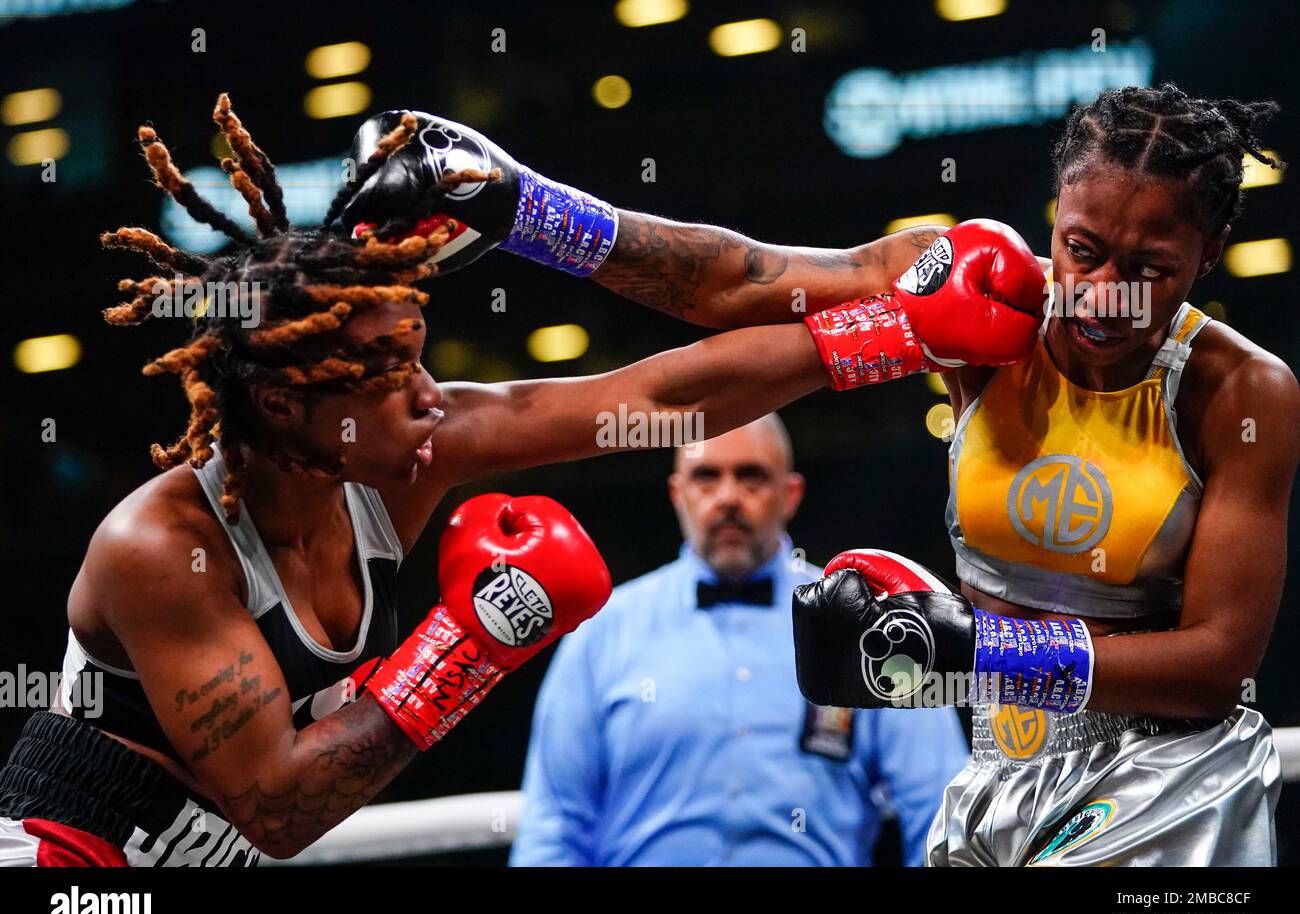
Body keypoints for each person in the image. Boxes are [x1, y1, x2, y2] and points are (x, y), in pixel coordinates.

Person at [0, 95, 1040, 867]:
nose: (421, 388)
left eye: (417, 350)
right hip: (70, 865)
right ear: (284, 403)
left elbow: (649, 397)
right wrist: (472, 639)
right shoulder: (160, 549)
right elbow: (278, 807)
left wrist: (892, 330)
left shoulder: (404, 450)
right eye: (379, 369)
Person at [365, 82, 1299, 866]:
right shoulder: (975, 292)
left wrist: (971, 649)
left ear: (1206, 258)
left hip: (1172, 787)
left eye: (1150, 268)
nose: (1100, 294)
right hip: (1000, 774)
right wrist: (521, 204)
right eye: (1082, 249)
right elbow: (733, 281)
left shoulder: (1239, 392)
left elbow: (1217, 666)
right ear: (1054, 213)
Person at [511, 416, 967, 866]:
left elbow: (939, 810)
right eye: (707, 477)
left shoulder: (868, 625)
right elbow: (552, 828)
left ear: (790, 495)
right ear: (678, 494)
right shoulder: (603, 631)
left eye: (751, 477)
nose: (728, 497)